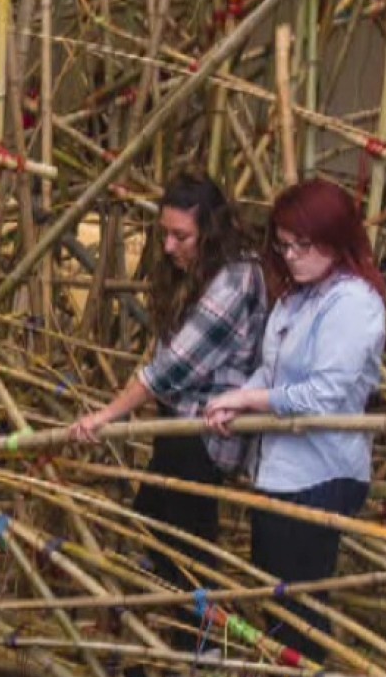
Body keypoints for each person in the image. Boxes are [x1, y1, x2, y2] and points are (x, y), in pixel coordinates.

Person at [204, 178, 386, 677]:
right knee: (273, 585)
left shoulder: (354, 302)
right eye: (284, 245)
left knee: (299, 598)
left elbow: (325, 395)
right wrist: (236, 402)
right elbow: (274, 369)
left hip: (323, 473)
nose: (291, 256)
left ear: (335, 239)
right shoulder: (297, 297)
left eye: (302, 245)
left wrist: (249, 397)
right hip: (279, 470)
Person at [69, 174, 266, 639]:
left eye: (182, 236)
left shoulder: (237, 279)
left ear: (211, 233)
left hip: (203, 436)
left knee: (185, 545)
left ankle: (191, 644)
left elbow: (172, 369)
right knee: (157, 529)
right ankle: (171, 639)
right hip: (181, 426)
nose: (170, 247)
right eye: (165, 234)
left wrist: (106, 415)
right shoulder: (204, 274)